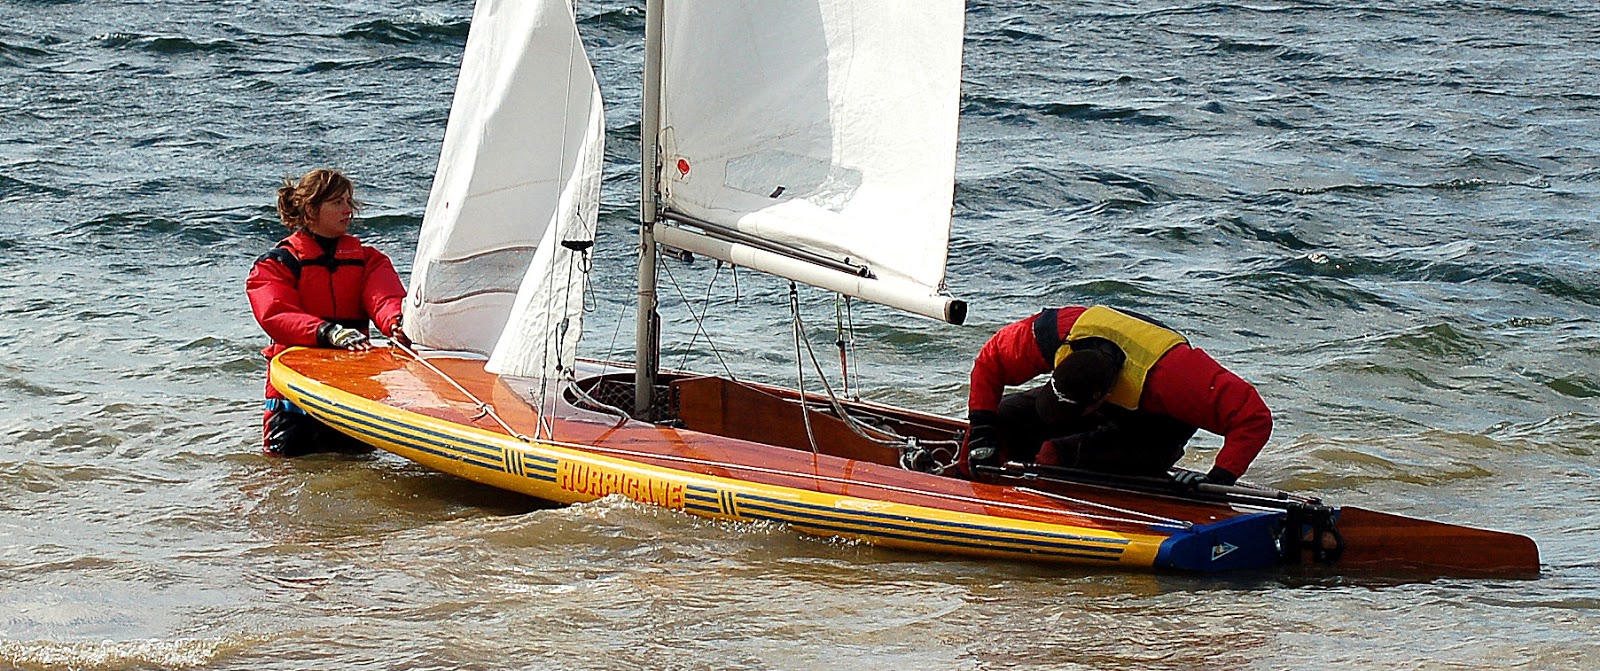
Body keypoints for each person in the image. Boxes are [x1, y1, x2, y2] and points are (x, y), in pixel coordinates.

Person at [962, 305, 1272, 487]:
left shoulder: (1176, 378)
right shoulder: (1055, 334)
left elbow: (1253, 418)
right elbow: (991, 362)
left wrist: (1219, 480)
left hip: (1154, 426)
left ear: (1101, 399)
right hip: (1092, 396)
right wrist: (982, 432)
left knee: (1056, 456)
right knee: (999, 420)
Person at [246, 168, 408, 457]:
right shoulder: (276, 264)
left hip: (351, 396)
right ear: (310, 210)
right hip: (293, 398)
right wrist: (327, 331)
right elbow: (275, 313)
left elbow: (385, 298)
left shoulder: (368, 260)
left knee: (357, 477)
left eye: (349, 201)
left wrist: (397, 323)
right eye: (338, 203)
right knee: (285, 477)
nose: (349, 210)